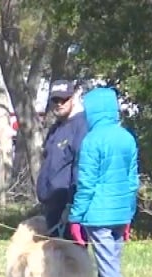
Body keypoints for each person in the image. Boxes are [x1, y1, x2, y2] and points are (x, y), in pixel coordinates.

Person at [68, 86, 138, 277]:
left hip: (98, 217)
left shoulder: (92, 140)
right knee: (110, 271)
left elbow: (86, 185)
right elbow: (132, 182)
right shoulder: (127, 138)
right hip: (120, 215)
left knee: (109, 276)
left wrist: (76, 218)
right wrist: (129, 215)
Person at [37, 80, 89, 239]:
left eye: (64, 99)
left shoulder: (81, 126)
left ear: (73, 98)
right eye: (55, 100)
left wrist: (72, 206)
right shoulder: (55, 128)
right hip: (51, 206)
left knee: (70, 259)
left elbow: (80, 167)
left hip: (67, 208)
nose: (59, 104)